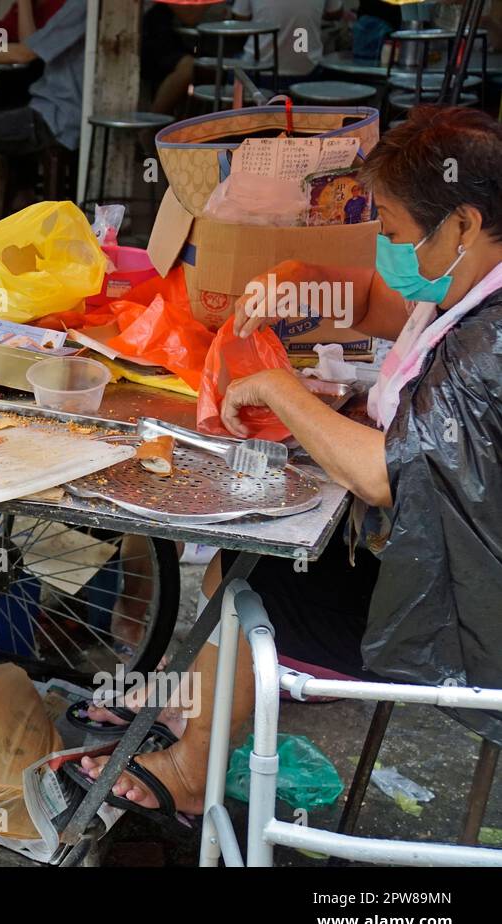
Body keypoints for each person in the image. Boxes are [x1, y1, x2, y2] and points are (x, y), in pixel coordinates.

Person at [78, 106, 502, 818]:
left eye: (396, 233)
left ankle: (189, 768)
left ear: (461, 224)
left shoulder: (488, 346)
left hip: (466, 618)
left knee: (254, 577)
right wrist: (309, 283)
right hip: (451, 571)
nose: (391, 250)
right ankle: (199, 716)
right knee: (231, 568)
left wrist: (281, 390)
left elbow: (384, 474)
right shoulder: (468, 285)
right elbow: (376, 299)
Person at [0, 0, 87, 225]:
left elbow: (26, 52)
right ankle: (4, 209)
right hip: (42, 101)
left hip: (58, 113)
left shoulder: (80, 6)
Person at [231, 0, 344, 80]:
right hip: (308, 72)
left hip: (260, 71)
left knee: (232, 63)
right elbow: (336, 12)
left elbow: (240, 17)